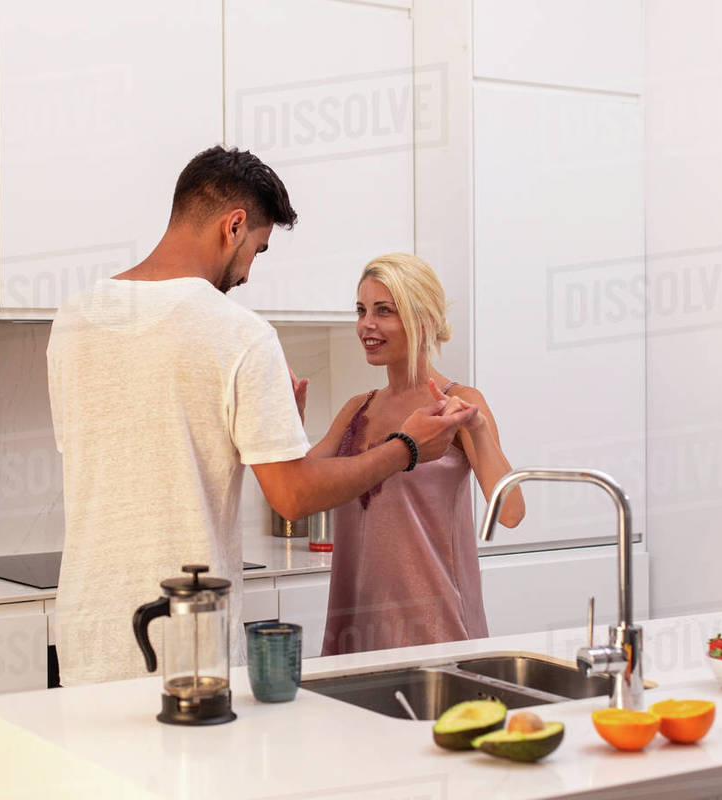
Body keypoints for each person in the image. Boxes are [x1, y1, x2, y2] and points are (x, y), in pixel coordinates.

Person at [46, 147, 476, 686]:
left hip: (87, 631)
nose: (249, 272)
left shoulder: (74, 320)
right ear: (234, 226)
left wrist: (274, 431)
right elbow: (292, 496)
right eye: (258, 248)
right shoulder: (239, 333)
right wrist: (405, 447)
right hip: (187, 637)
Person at [312, 253, 526, 656]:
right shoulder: (357, 409)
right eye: (361, 310)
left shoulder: (458, 402)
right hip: (356, 631)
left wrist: (478, 429)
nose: (366, 324)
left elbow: (511, 512)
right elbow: (298, 489)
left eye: (384, 311)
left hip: (435, 630)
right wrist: (287, 419)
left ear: (423, 320)